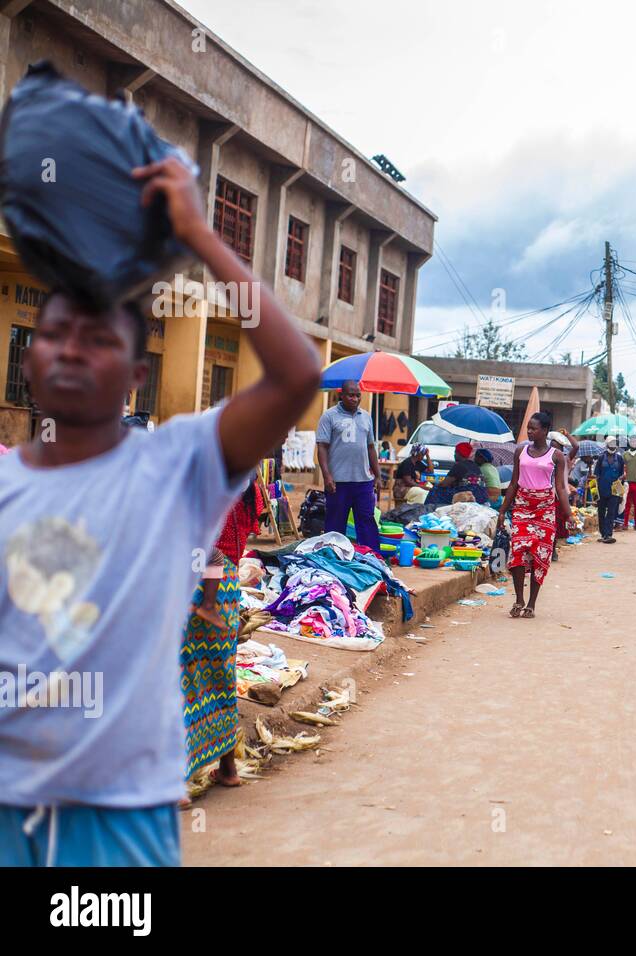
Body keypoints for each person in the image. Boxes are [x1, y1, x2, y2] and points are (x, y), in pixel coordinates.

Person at [0, 153, 319, 865]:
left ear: (136, 376)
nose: (74, 351)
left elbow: (298, 373)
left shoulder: (172, 466)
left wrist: (201, 237)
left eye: (100, 338)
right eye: (56, 334)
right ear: (29, 358)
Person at [183, 478, 263, 793]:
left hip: (195, 582)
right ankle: (228, 768)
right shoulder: (251, 491)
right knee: (220, 674)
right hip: (229, 586)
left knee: (184, 679)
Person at [501, 411, 573, 618]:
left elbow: (560, 488)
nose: (529, 431)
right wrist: (503, 510)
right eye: (528, 428)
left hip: (545, 509)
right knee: (517, 552)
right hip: (522, 506)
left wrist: (568, 515)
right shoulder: (520, 451)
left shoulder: (557, 456)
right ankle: (518, 599)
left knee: (540, 555)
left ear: (545, 431)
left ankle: (531, 603)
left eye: (533, 428)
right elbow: (514, 482)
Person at [317, 380, 382, 553]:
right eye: (351, 395)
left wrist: (378, 475)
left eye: (358, 395)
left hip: (363, 481)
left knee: (367, 521)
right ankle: (333, 557)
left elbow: (370, 447)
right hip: (338, 482)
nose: (355, 399)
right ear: (342, 396)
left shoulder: (366, 417)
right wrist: (326, 476)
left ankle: (373, 558)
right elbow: (322, 447)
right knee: (335, 523)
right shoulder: (329, 416)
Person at [430, 441, 486, 506]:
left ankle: (430, 510)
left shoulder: (459, 466)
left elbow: (444, 484)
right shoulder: (475, 465)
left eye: (455, 452)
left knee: (435, 491)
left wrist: (434, 486)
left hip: (467, 496)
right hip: (482, 497)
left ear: (459, 453)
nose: (454, 454)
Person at [594, 437, 626, 543]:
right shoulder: (601, 458)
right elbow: (596, 475)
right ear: (607, 444)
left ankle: (608, 534)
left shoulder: (619, 459)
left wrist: (621, 493)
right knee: (601, 512)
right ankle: (603, 534)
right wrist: (595, 493)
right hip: (602, 488)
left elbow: (622, 474)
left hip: (615, 488)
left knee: (611, 512)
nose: (612, 445)